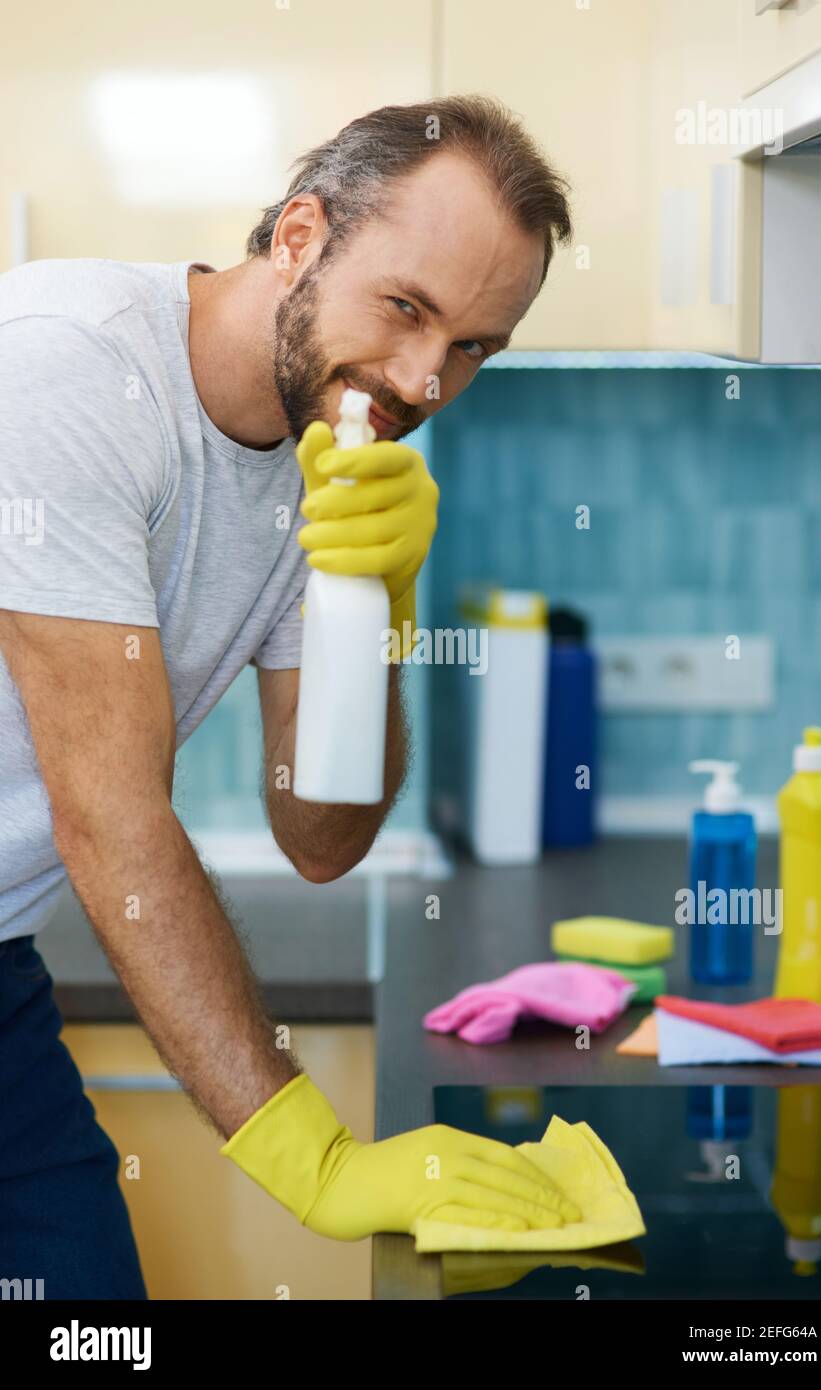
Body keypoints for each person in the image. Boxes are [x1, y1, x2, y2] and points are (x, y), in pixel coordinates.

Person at [0, 94, 574, 1298]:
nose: (424, 377)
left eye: (473, 346)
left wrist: (383, 604)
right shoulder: (64, 371)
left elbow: (319, 834)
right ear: (300, 236)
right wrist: (311, 1156)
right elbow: (111, 821)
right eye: (407, 308)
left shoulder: (333, 451)